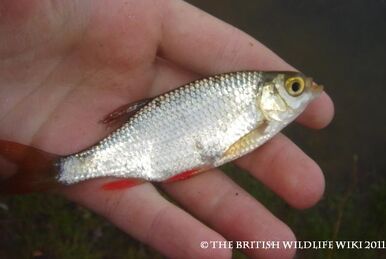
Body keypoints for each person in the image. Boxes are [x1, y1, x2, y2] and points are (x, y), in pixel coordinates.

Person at [0, 1, 334, 258]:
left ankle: (49, 171)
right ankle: (56, 170)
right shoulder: (257, 109)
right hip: (156, 142)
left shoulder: (258, 108)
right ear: (271, 93)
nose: (304, 90)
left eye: (295, 87)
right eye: (294, 87)